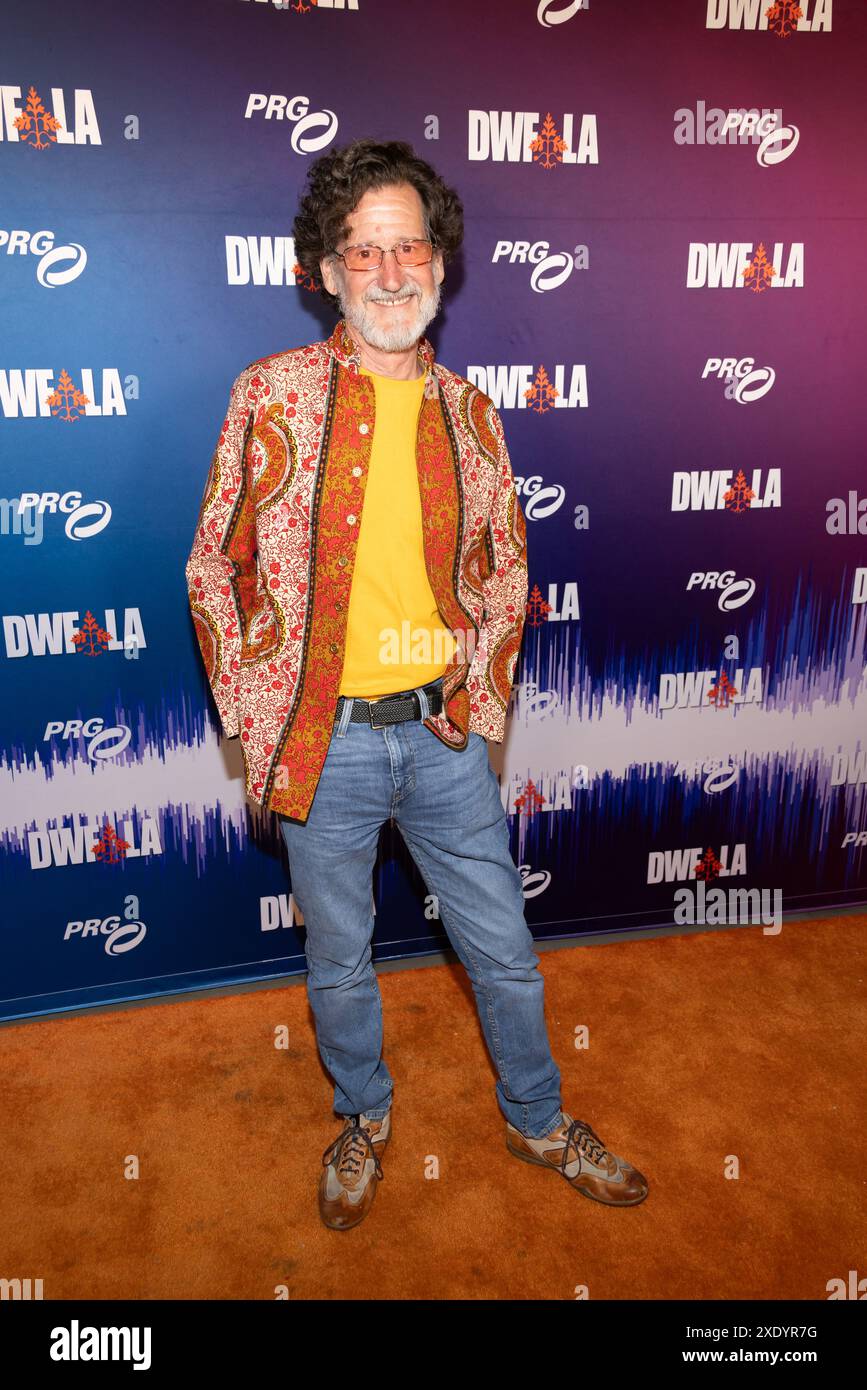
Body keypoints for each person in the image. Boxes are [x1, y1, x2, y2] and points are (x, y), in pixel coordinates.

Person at [185, 138, 648, 1231]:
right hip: (325, 745)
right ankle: (364, 1118)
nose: (391, 272)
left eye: (411, 248)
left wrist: (480, 706)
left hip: (440, 739)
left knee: (505, 954)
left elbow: (505, 567)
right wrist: (259, 724)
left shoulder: (473, 413)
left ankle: (538, 1118)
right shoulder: (273, 397)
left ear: (439, 264)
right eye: (366, 251)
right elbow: (215, 561)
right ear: (328, 271)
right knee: (339, 964)